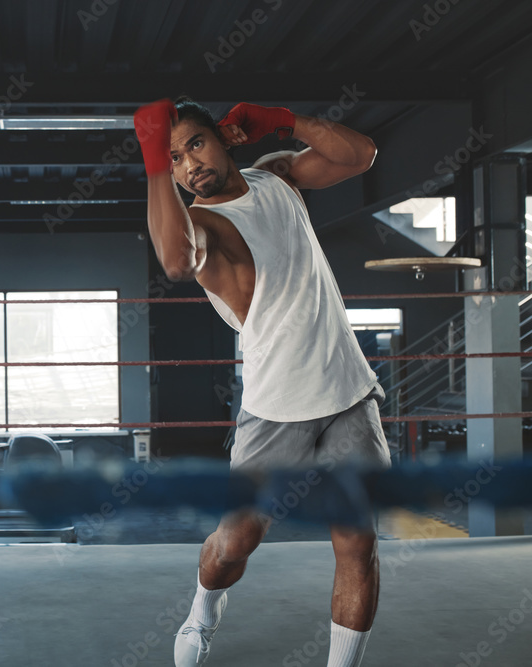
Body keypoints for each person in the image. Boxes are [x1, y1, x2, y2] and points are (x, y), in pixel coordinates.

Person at [133, 98, 391, 667]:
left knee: (358, 543)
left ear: (225, 139)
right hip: (276, 410)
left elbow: (361, 156)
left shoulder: (275, 177)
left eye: (195, 144)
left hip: (350, 394)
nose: (189, 165)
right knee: (232, 547)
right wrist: (152, 163)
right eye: (174, 158)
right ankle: (203, 611)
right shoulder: (201, 224)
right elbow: (177, 261)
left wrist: (285, 119)